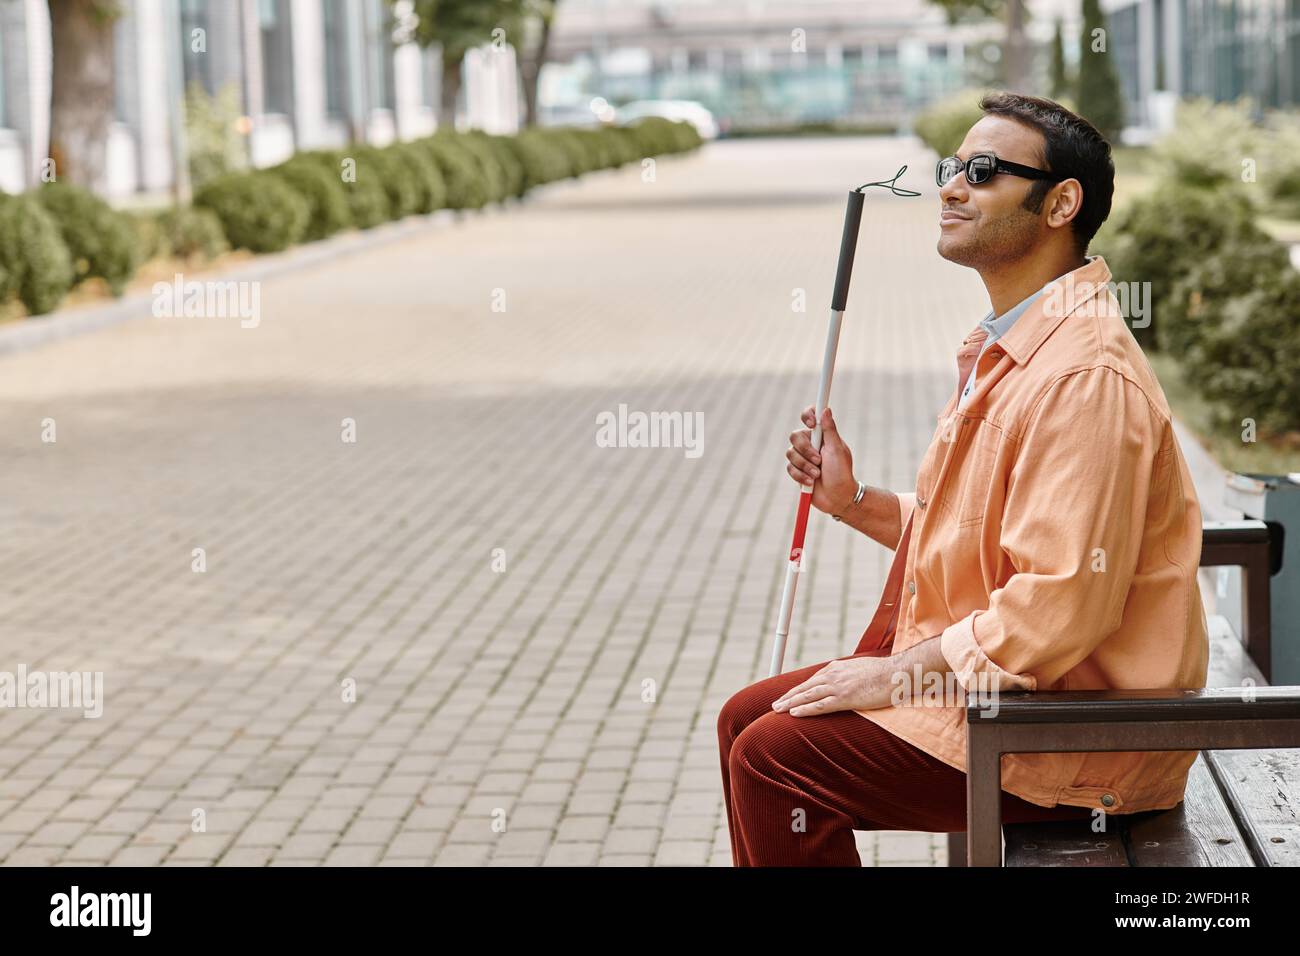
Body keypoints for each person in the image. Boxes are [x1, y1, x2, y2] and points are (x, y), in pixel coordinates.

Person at [717, 92, 1209, 867]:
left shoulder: (1081, 377)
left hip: (1077, 735)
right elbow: (981, 531)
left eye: (982, 172)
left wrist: (896, 675)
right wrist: (849, 501)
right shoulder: (1015, 346)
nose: (950, 187)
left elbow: (1059, 602)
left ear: (1061, 204)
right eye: (952, 168)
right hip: (1020, 695)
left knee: (776, 758)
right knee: (745, 717)